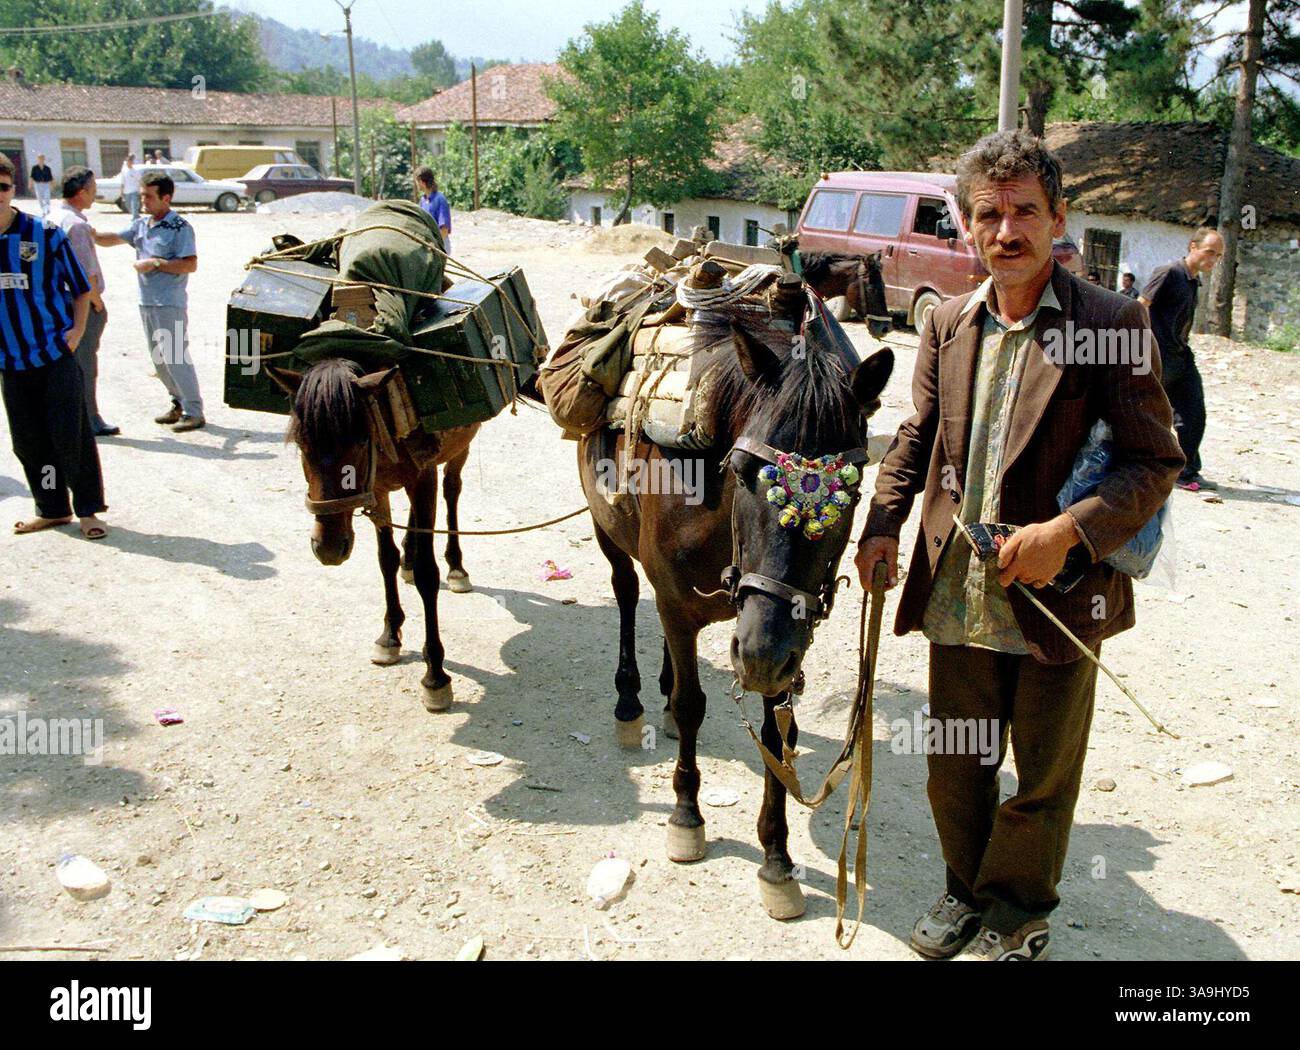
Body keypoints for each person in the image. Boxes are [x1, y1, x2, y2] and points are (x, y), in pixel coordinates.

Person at [856, 129, 1182, 961]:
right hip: (961, 588)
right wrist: (884, 526)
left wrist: (1068, 535)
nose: (1008, 231)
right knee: (954, 764)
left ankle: (1014, 915)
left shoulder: (1111, 323)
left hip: (1061, 599)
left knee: (1040, 776)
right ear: (967, 226)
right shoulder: (947, 322)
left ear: (1058, 217)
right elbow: (917, 434)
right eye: (990, 215)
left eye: (1025, 212)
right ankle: (965, 891)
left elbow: (1155, 460)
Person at [0, 154, 108, 539]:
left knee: (71, 435)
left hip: (53, 354)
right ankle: (52, 508)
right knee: (29, 441)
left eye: (3, 187)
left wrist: (77, 333)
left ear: (15, 189)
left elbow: (81, 289)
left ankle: (89, 510)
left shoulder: (44, 234)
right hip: (10, 361)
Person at [92, 170, 204, 431]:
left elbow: (190, 264)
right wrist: (93, 236)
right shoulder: (142, 224)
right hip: (147, 302)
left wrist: (156, 263)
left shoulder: (180, 228)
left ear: (166, 198)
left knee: (176, 357)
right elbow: (116, 238)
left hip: (169, 302)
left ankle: (194, 411)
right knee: (160, 360)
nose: (144, 201)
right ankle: (178, 402)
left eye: (149, 197)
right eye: (142, 195)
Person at [1139, 227, 1225, 492]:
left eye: (1218, 256)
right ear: (1193, 247)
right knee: (1145, 415)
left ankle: (1187, 472)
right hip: (1158, 356)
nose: (1212, 260)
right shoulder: (1170, 273)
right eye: (1209, 252)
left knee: (1193, 413)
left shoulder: (1193, 280)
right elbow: (1141, 305)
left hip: (1181, 356)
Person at [48, 165, 118, 436]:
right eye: (92, 190)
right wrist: (96, 302)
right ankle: (89, 419)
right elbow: (85, 273)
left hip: (59, 301)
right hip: (80, 304)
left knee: (67, 365)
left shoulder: (54, 215)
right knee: (85, 366)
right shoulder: (76, 225)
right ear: (81, 192)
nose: (94, 195)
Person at [414, 166, 452, 256]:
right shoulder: (423, 201)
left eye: (416, 181)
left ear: (421, 182)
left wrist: (433, 246)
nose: (416, 184)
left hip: (439, 247)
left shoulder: (440, 199)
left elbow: (444, 230)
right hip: (427, 247)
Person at [120, 153, 142, 220]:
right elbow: (122, 181)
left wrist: (141, 190)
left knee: (134, 204)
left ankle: (135, 217)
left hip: (134, 191)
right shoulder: (124, 170)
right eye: (128, 161)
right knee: (128, 205)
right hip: (127, 191)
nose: (129, 162)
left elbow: (140, 181)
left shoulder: (135, 171)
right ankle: (135, 215)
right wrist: (121, 191)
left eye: (130, 161)